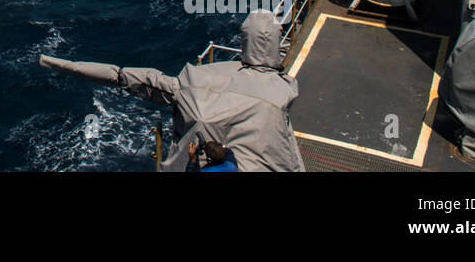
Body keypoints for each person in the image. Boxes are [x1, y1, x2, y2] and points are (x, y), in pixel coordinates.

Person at [40, 10, 305, 172]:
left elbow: (124, 77)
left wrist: (63, 65)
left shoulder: (196, 80)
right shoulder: (282, 90)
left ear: (243, 40)